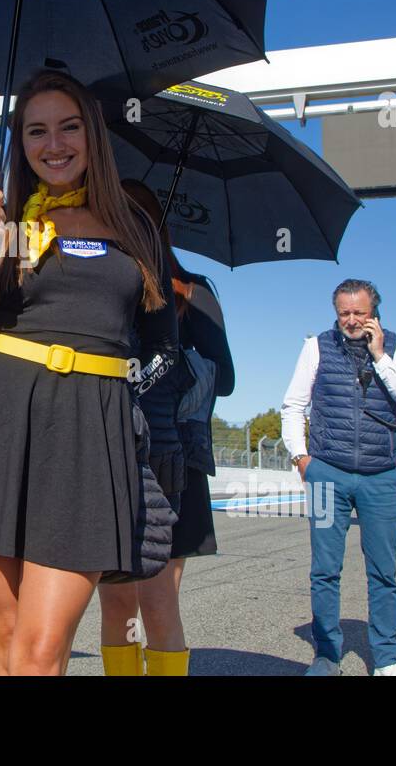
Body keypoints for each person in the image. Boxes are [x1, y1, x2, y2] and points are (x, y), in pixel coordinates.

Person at [0, 69, 178, 676]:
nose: (54, 144)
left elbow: (165, 349)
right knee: (8, 642)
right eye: (36, 131)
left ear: (93, 136)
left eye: (69, 127)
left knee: (39, 652)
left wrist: (113, 396)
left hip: (89, 436)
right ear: (21, 143)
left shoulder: (137, 228)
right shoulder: (5, 226)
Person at [95, 179, 235, 676]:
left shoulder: (191, 289)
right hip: (111, 449)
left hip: (174, 454)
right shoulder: (103, 282)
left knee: (158, 602)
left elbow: (225, 379)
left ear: (152, 225)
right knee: (116, 603)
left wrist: (168, 353)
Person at [280, 278, 396, 677]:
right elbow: (293, 405)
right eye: (344, 313)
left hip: (381, 476)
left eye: (359, 312)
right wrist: (301, 458)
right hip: (328, 474)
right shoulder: (316, 346)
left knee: (383, 571)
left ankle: (387, 658)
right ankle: (327, 655)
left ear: (374, 312)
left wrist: (380, 356)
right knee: (324, 570)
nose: (351, 320)